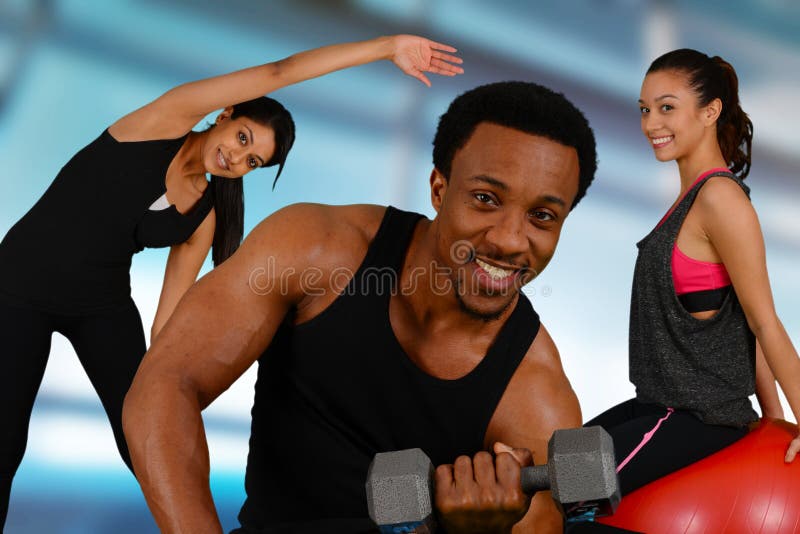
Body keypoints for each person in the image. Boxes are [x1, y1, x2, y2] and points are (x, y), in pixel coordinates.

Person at [0, 34, 464, 528]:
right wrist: (386, 47)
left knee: (147, 430)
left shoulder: (204, 215)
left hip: (101, 306)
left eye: (252, 162)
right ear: (225, 116)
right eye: (242, 139)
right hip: (17, 286)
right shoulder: (164, 120)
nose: (237, 161)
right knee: (6, 441)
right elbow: (278, 73)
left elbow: (168, 329)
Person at [122, 81, 598, 533]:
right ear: (438, 189)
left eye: (542, 216)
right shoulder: (317, 249)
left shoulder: (537, 399)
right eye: (485, 198)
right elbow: (166, 382)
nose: (510, 240)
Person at [585, 48, 800, 499]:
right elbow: (742, 321)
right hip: (656, 407)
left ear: (710, 112)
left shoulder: (721, 200)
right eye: (645, 110)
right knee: (548, 462)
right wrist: (772, 416)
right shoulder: (688, 203)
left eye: (667, 108)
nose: (650, 125)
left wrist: (788, 420)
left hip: (696, 417)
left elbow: (764, 322)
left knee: (567, 488)